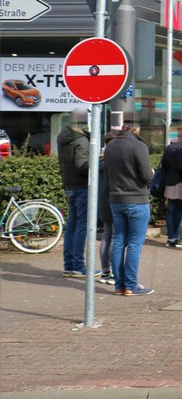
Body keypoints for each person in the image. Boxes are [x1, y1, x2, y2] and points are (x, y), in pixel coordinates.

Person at [106, 118, 155, 296]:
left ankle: (119, 286)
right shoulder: (138, 146)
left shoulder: (110, 146)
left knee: (119, 240)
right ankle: (131, 285)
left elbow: (107, 174)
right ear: (136, 128)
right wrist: (153, 174)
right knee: (135, 243)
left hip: (116, 199)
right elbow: (147, 175)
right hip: (137, 200)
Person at [56, 108, 91, 278]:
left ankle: (68, 266)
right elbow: (81, 166)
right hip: (82, 186)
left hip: (69, 185)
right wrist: (98, 161)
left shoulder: (63, 136)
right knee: (81, 226)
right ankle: (78, 266)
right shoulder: (81, 140)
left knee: (71, 225)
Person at [96, 129, 119, 285]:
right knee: (117, 238)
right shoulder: (115, 161)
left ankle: (105, 272)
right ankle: (114, 274)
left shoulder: (99, 160)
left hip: (102, 201)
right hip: (115, 201)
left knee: (106, 236)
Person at [160, 129, 182, 248]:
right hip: (179, 182)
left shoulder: (167, 149)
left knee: (171, 210)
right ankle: (174, 237)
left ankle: (171, 237)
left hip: (168, 182)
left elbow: (164, 165)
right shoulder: (180, 149)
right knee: (179, 209)